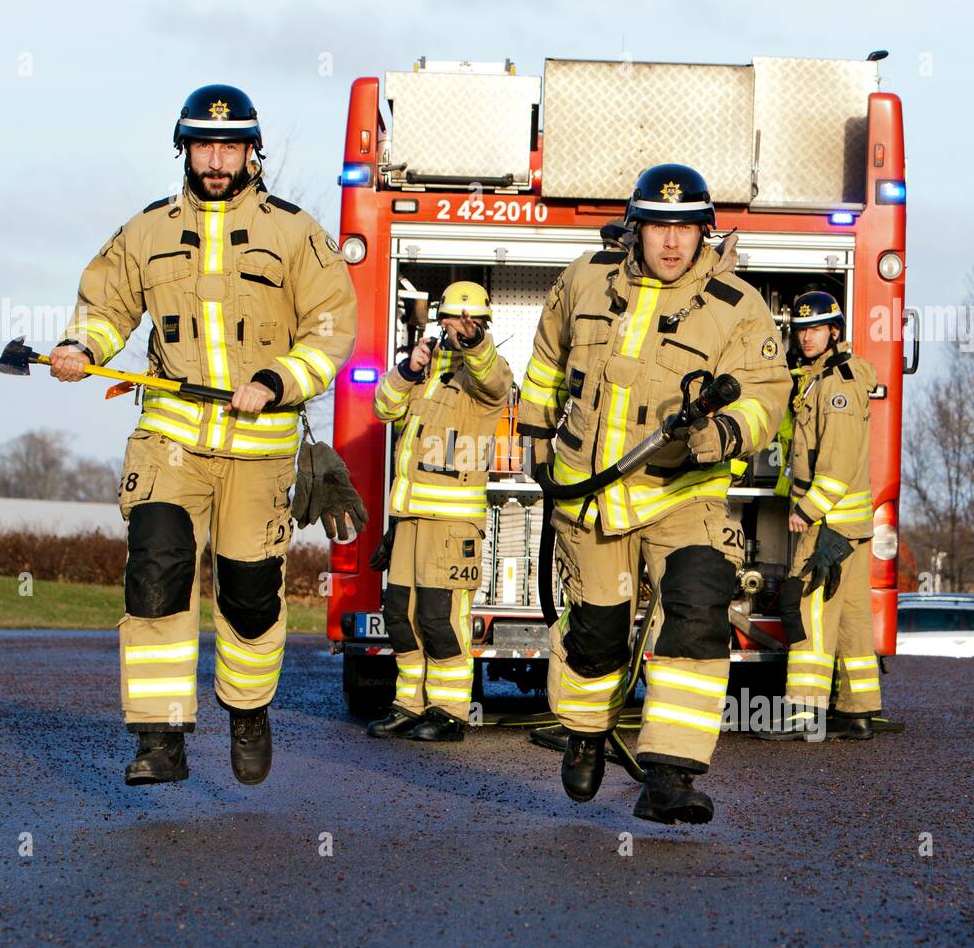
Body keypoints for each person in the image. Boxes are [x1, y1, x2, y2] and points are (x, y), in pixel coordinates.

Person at [50, 84, 357, 786]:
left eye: (230, 147)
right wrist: (80, 346)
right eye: (202, 146)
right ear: (184, 151)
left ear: (253, 154)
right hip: (170, 444)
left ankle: (246, 709)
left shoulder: (296, 232)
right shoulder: (147, 229)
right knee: (155, 573)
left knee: (250, 598)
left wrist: (278, 379)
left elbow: (332, 326)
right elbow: (105, 307)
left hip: (260, 451)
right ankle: (159, 736)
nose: (215, 160)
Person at [517, 164, 791, 824]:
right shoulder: (582, 279)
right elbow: (548, 358)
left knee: (695, 618)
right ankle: (585, 731)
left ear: (705, 232)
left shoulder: (736, 305)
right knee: (595, 636)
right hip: (592, 500)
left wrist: (721, 430)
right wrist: (533, 435)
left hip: (684, 494)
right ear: (636, 228)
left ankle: (668, 776)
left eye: (687, 228)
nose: (672, 243)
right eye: (660, 227)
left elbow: (765, 394)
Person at [366, 282, 512, 744]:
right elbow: (383, 407)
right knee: (400, 616)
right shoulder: (428, 373)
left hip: (452, 522)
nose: (452, 327)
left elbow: (492, 378)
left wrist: (474, 343)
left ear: (480, 325)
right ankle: (408, 704)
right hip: (409, 518)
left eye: (462, 321)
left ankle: (448, 711)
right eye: (448, 319)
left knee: (440, 619)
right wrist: (409, 369)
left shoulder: (487, 375)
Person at [775, 291, 881, 739]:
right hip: (849, 525)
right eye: (801, 330)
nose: (806, 338)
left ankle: (804, 713)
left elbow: (836, 463)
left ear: (834, 331)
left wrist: (808, 509)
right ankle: (858, 711)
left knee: (811, 611)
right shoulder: (829, 376)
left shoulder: (835, 385)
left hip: (828, 523)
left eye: (815, 329)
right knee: (853, 615)